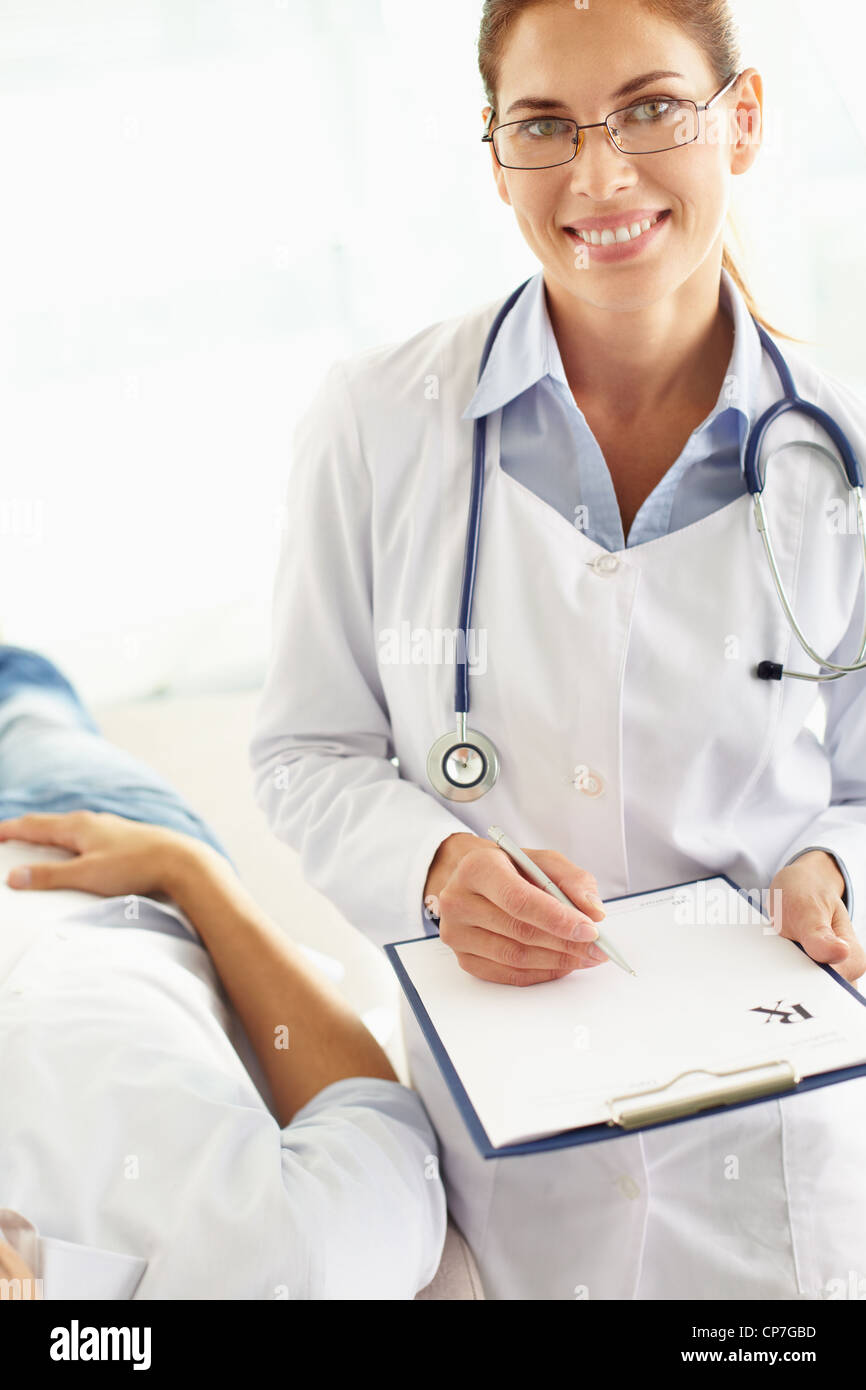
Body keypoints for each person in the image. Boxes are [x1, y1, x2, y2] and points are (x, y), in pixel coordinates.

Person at [249, 0, 866, 1300]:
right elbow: (309, 748)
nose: (598, 173)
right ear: (493, 155)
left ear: (739, 120)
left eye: (649, 106)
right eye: (543, 124)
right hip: (507, 1175)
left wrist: (832, 864)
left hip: (778, 1163)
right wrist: (434, 863)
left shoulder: (844, 458)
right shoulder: (374, 425)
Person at [0, 645, 446, 1299]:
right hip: (90, 854)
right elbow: (374, 1116)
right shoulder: (294, 1274)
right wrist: (182, 869)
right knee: (25, 699)